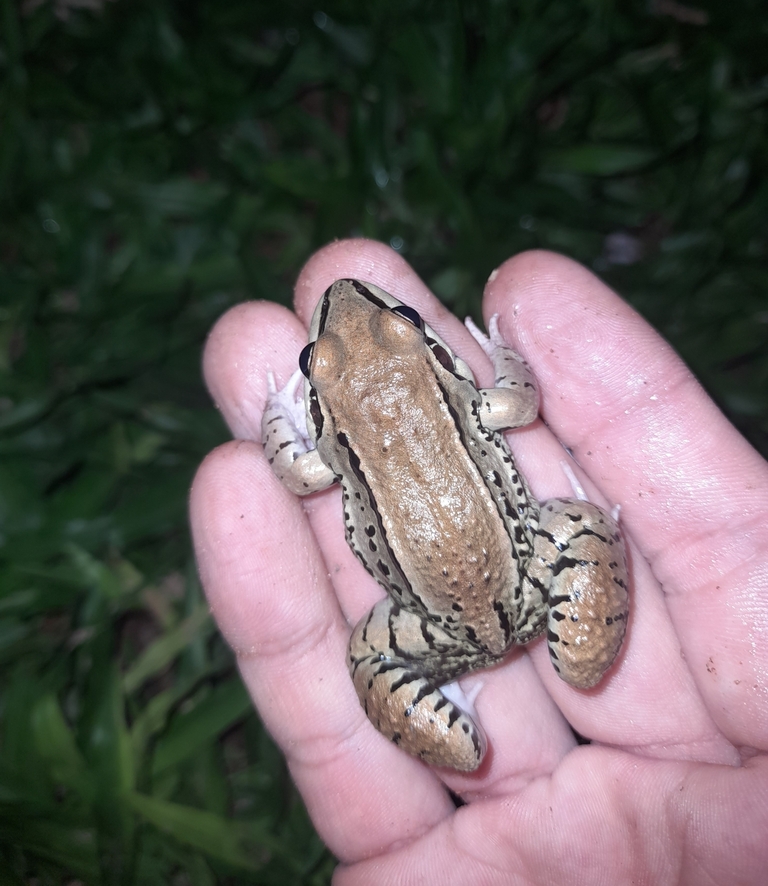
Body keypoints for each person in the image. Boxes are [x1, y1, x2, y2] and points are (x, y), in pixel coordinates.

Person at [190, 239, 768, 884]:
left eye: (396, 327)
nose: (360, 315)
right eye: (317, 362)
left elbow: (296, 472)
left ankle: (457, 728)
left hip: (438, 633)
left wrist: (276, 416)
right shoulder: (474, 401)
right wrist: (502, 356)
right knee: (576, 520)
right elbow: (519, 401)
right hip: (525, 580)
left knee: (361, 655)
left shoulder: (325, 456)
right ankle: (573, 601)